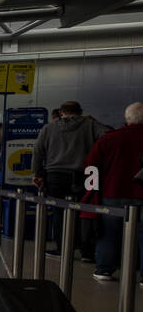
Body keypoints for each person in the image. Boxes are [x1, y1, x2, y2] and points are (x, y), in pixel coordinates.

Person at [33, 100, 111, 255]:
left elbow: (37, 151)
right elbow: (108, 134)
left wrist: (36, 173)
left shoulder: (48, 127)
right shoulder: (90, 124)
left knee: (59, 212)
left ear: (62, 112)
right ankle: (86, 252)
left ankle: (63, 249)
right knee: (86, 212)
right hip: (84, 175)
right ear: (80, 112)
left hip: (55, 175)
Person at [83, 101, 143, 283]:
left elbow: (90, 167)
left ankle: (104, 269)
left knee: (108, 234)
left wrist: (92, 192)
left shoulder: (109, 139)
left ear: (127, 118)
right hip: (142, 195)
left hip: (112, 193)